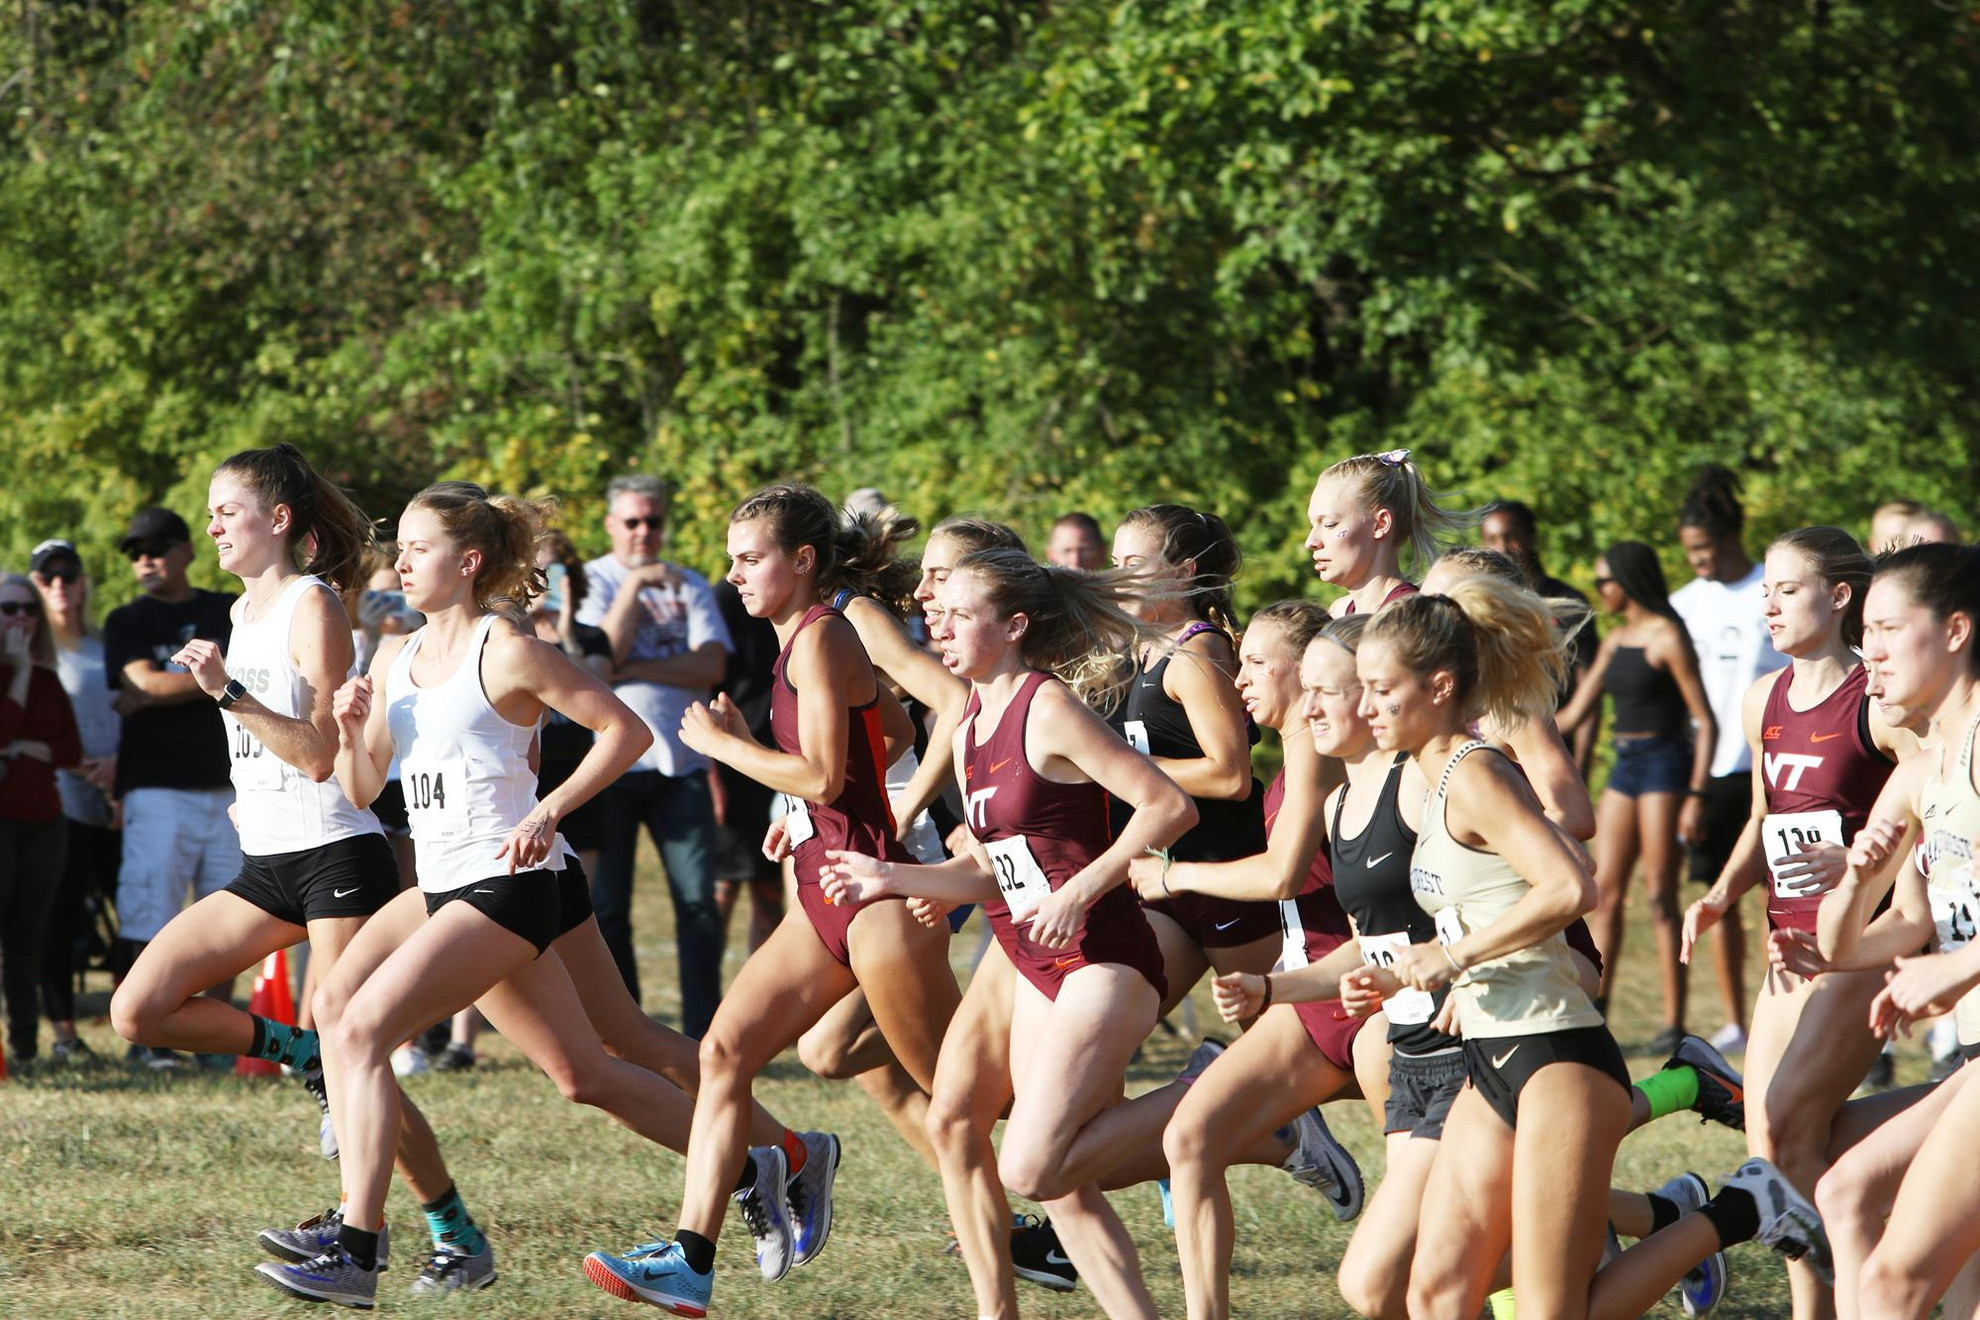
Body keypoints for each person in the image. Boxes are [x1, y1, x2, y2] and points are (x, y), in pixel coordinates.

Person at [277, 481, 703, 1307]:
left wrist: (550, 809)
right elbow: (365, 789)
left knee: (360, 1025)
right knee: (586, 1071)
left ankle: (356, 1248)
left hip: (507, 882)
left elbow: (628, 732)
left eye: (418, 546)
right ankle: (762, 1160)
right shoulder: (396, 654)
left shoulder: (506, 648)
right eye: (397, 544)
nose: (399, 559)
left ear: (467, 563)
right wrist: (353, 715)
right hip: (443, 881)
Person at [582, 484, 962, 1315]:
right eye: (730, 558)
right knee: (721, 1055)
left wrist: (731, 749)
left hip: (873, 904)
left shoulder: (824, 639)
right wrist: (807, 811)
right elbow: (885, 736)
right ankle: (690, 1258)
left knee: (961, 1100)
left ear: (802, 561)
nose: (734, 573)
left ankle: (1095, 1184)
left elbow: (830, 771)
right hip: (822, 897)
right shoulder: (803, 643)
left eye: (750, 559)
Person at [818, 546, 1195, 1320]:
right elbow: (1001, 867)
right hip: (1037, 966)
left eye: (959, 614)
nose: (938, 623)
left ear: (1015, 625)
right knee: (1062, 1185)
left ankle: (1219, 1103)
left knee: (1029, 1161)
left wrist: (1086, 886)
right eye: (938, 612)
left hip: (1104, 957)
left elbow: (1167, 808)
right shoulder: (969, 720)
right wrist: (891, 878)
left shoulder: (1046, 705)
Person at [1347, 579, 1633, 1320]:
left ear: (1440, 686)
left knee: (1550, 1309)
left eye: (1382, 692)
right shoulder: (1427, 772)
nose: (1364, 708)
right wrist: (1396, 975)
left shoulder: (1476, 772)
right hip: (1490, 1058)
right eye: (1363, 691)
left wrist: (1457, 957)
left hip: (1557, 1057)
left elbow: (1572, 886)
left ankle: (1730, 1213)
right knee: (1436, 1294)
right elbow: (1478, 901)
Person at [1670, 526, 1917, 1320]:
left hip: (1857, 947)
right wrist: (1719, 895)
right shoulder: (1761, 699)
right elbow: (1762, 817)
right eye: (1766, 590)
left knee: (1787, 1124)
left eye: (1787, 588)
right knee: (1770, 1150)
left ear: (1839, 596)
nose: (1768, 604)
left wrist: (1862, 864)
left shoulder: (1877, 705)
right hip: (1785, 948)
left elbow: (1924, 815)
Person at [1153, 605, 1384, 1320]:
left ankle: (1651, 1223)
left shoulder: (1318, 747)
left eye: (1255, 663)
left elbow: (1282, 874)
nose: (1237, 676)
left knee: (1452, 1192)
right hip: (1311, 999)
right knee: (1190, 1136)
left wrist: (1174, 878)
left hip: (1370, 997)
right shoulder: (1291, 751)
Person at [1108, 504, 1280, 1012]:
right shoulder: (1139, 650)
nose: (1118, 578)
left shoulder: (1197, 651)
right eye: (1115, 562)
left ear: (1183, 573)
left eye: (1134, 564)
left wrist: (1121, 767)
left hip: (1225, 877)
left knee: (1278, 1043)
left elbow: (1232, 778)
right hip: (1163, 883)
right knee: (1111, 1027)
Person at [579, 472, 733, 1034]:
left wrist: (632, 669)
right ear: (611, 526)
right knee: (609, 907)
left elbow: (710, 666)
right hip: (610, 767)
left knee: (697, 904)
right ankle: (628, 1030)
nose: (645, 532)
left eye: (655, 522)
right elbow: (600, 656)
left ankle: (704, 1030)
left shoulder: (689, 582)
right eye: (633, 522)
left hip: (682, 766)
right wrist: (634, 587)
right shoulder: (590, 580)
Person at [1556, 541, 1717, 1044]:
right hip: (1625, 768)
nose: (1600, 590)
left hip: (1666, 766)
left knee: (1660, 896)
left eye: (1605, 581)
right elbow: (1574, 713)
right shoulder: (1617, 639)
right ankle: (1596, 1011)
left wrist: (1697, 793)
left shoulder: (1667, 637)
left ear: (1627, 581)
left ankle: (1673, 1023)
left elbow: (1705, 721)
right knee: (1606, 895)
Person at [101, 505, 241, 1056]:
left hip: (229, 789)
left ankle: (216, 1040)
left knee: (231, 916)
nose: (145, 560)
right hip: (156, 791)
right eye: (135, 553)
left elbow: (153, 689)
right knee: (148, 909)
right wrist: (220, 679)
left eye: (156, 548)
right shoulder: (126, 621)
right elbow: (142, 685)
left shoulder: (227, 609)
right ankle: (148, 1039)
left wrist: (161, 686)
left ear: (186, 549)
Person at [1672, 464, 1787, 1053]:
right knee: (1718, 890)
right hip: (1710, 768)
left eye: (1705, 548)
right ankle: (1737, 1019)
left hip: (1771, 758)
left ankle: (1786, 997)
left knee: (1781, 891)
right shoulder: (1684, 603)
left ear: (1731, 538)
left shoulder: (1773, 588)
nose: (1699, 561)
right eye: (1689, 551)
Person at [30, 539, 120, 1064]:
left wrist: (117, 770)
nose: (60, 586)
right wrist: (79, 763)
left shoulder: (107, 643)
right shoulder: (33, 655)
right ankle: (64, 1034)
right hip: (60, 800)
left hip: (116, 799)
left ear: (84, 583)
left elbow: (131, 712)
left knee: (130, 909)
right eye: (48, 578)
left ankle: (138, 1024)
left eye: (68, 575)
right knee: (58, 918)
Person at [0, 570, 81, 1068]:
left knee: (27, 939)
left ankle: (25, 1049)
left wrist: (25, 747)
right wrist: (19, 672)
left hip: (45, 822)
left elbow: (72, 751)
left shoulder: (49, 679)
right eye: (9, 609)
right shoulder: (28, 675)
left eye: (30, 610)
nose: (22, 619)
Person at [1481, 498, 1599, 770]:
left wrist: (1581, 764)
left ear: (1531, 537)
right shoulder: (1482, 605)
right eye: (1492, 539)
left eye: (1511, 537)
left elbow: (1589, 693)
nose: (1502, 548)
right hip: (1495, 756)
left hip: (1555, 752)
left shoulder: (1569, 603)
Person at [709, 572, 784, 955]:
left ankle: (770, 1010)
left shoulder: (800, 603)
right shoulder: (724, 597)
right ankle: (706, 1007)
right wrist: (711, 774)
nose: (739, 570)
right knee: (723, 888)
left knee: (771, 889)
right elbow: (704, 688)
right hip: (733, 763)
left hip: (783, 760)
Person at [1304, 448, 1463, 617]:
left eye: (1330, 524)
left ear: (1381, 524)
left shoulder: (1413, 617)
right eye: (1312, 526)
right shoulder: (1337, 614)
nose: (1311, 542)